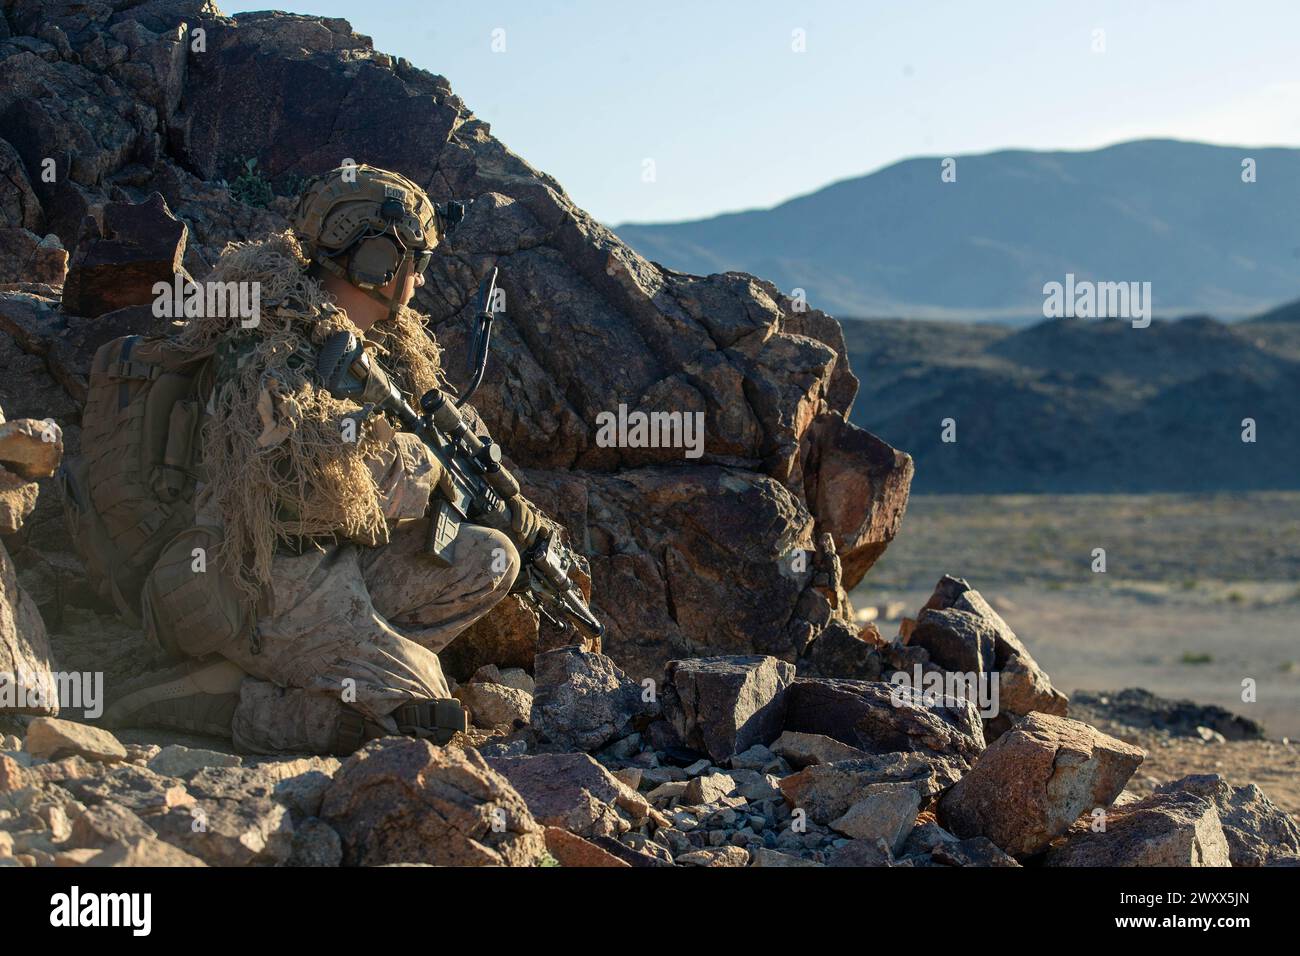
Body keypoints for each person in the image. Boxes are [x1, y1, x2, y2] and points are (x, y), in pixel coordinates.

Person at [103, 164, 550, 755]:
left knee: (490, 559)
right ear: (376, 262)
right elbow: (307, 499)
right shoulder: (275, 348)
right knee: (423, 709)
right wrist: (423, 468)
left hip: (333, 565)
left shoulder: (375, 348)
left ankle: (315, 671)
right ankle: (235, 703)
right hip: (256, 582)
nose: (418, 278)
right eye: (412, 260)